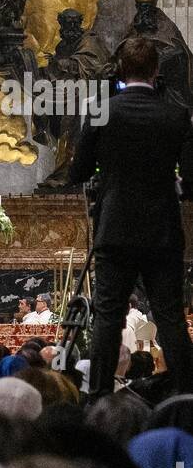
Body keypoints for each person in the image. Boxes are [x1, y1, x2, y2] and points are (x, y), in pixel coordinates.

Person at [70, 36, 193, 397]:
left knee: (107, 316)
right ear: (157, 70)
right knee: (170, 317)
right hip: (163, 231)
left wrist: (105, 171)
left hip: (115, 228)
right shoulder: (176, 115)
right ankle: (186, 397)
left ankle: (100, 399)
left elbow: (76, 172)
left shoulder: (102, 111)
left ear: (120, 70)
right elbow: (191, 181)